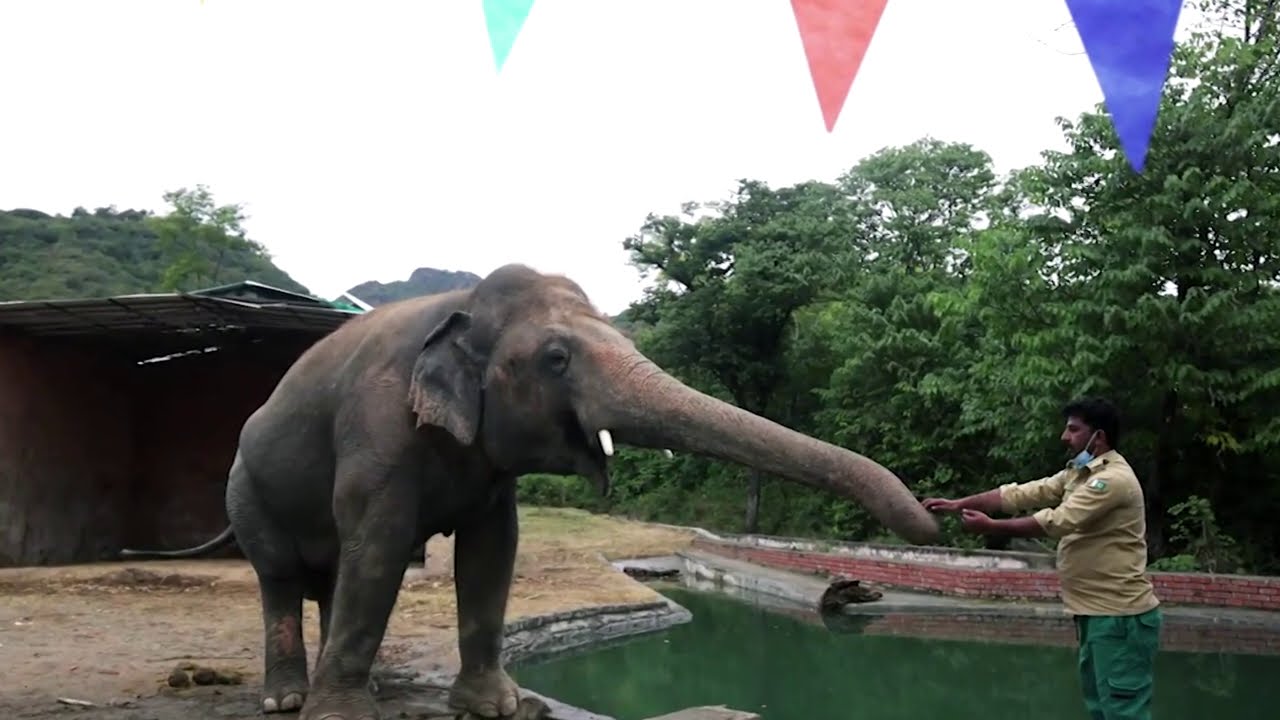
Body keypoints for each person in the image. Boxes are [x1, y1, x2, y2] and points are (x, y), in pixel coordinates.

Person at [921, 397, 1161, 720]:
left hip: (1119, 617)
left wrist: (992, 527)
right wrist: (956, 503)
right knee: (1102, 708)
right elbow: (1021, 493)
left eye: (1074, 430)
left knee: (1123, 711)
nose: (1065, 437)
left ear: (1098, 437)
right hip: (1094, 613)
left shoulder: (1112, 480)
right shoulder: (1078, 474)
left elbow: (1058, 521)